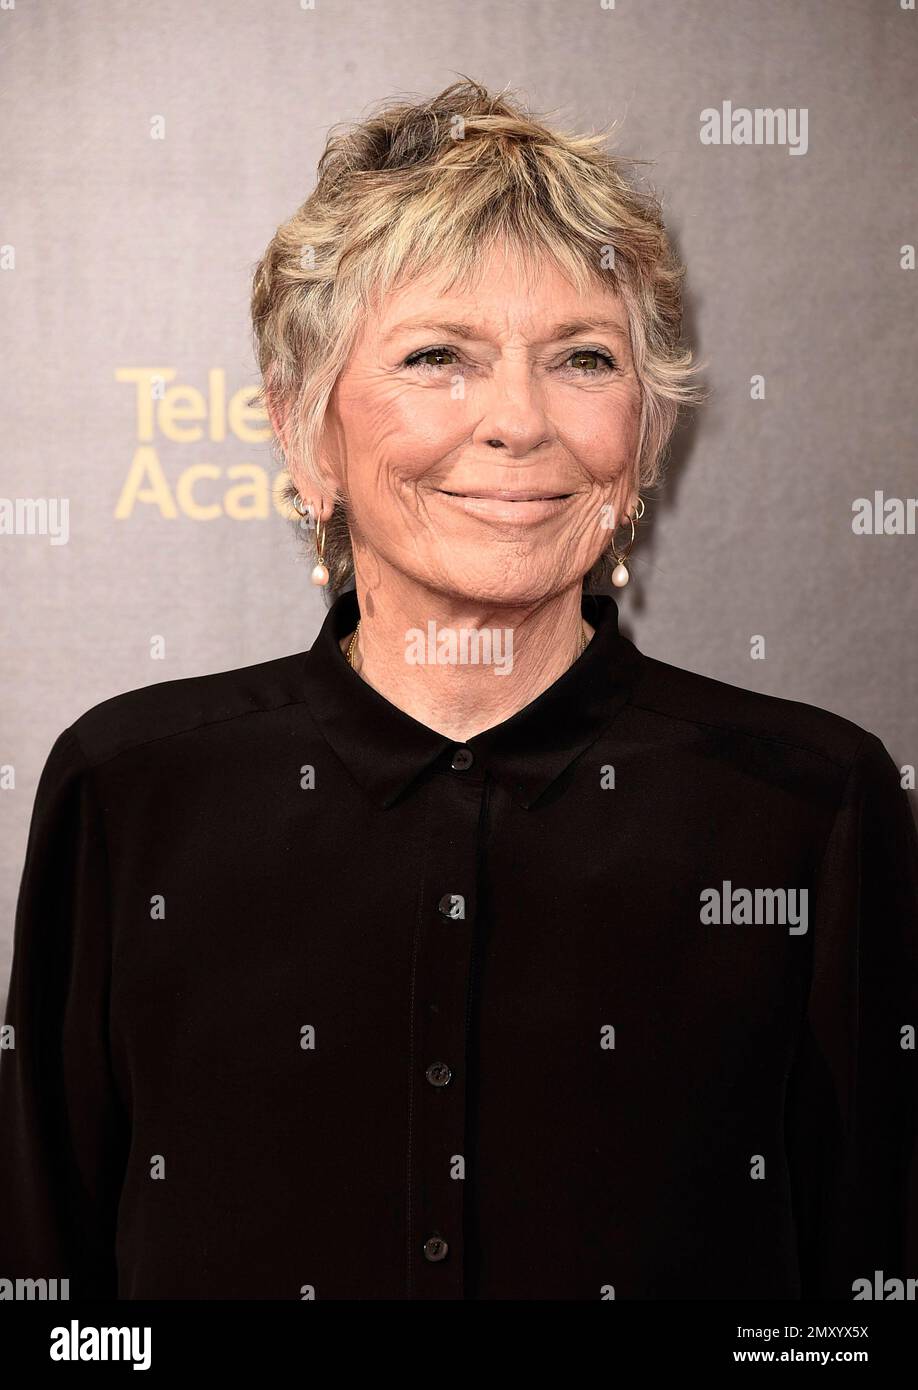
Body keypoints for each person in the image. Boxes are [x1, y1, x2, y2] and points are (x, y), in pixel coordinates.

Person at [1, 78, 916, 1301]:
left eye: (583, 359)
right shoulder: (131, 787)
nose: (518, 423)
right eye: (439, 357)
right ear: (301, 430)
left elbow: (871, 1299)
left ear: (643, 440)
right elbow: (51, 1294)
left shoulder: (816, 803)